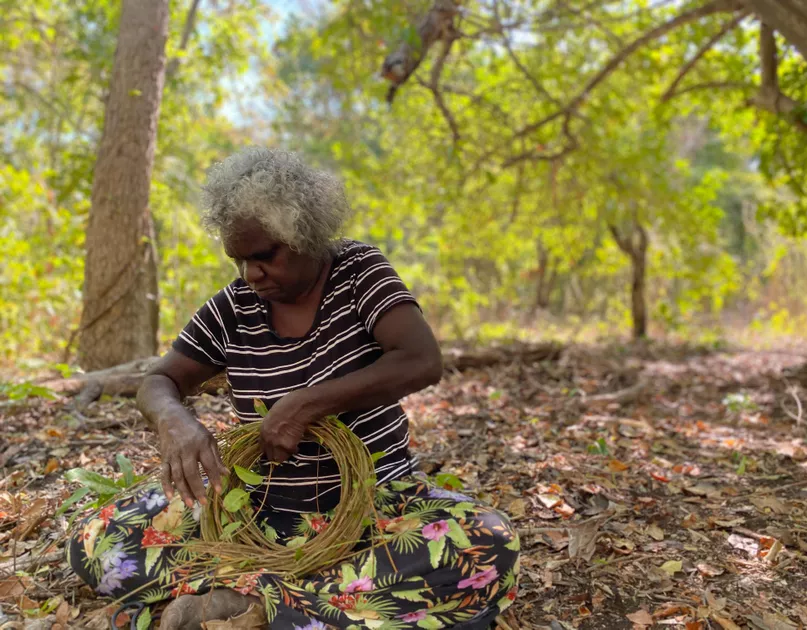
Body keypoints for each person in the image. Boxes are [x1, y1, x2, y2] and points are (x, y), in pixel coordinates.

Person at [67, 149, 519, 629]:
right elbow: (159, 380)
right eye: (239, 260)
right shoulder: (234, 307)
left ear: (304, 234)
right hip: (257, 513)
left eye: (264, 257)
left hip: (378, 507)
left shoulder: (358, 272)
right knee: (99, 541)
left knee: (487, 542)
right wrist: (175, 420)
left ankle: (260, 604)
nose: (250, 275)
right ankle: (312, 604)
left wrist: (305, 403)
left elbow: (422, 360)